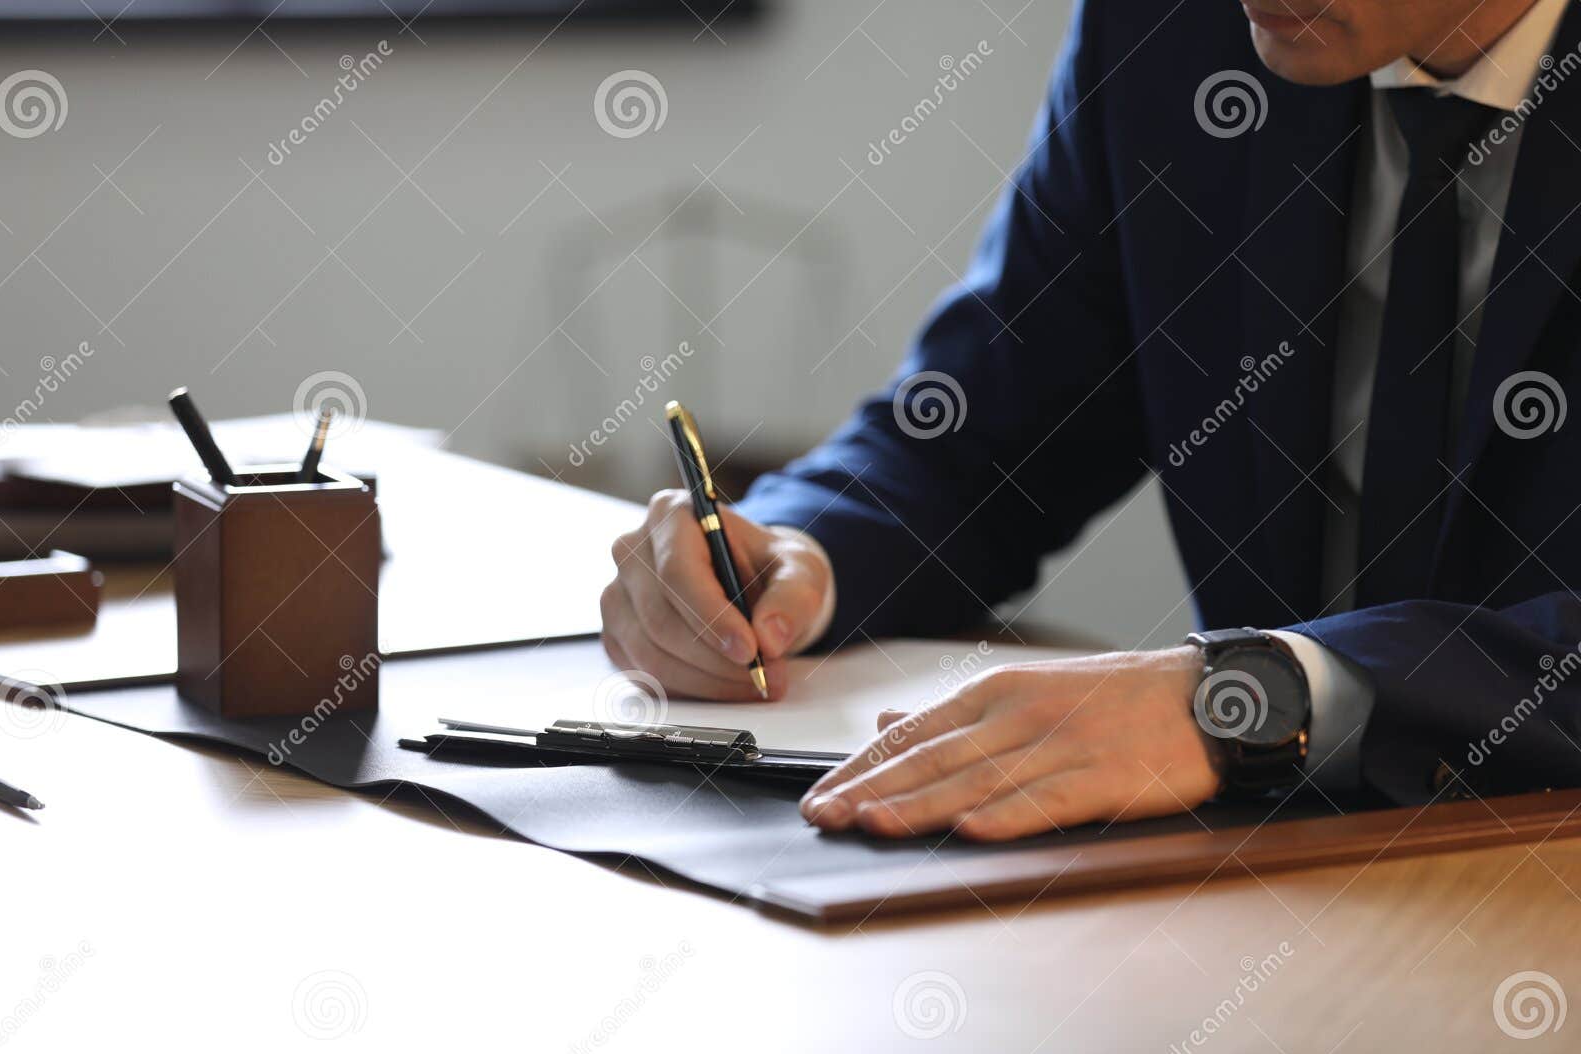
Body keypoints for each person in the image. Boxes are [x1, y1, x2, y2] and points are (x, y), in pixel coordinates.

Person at [600, 0, 1581, 839]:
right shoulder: (1173, 35)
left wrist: (1258, 694)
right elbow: (980, 430)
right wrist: (796, 558)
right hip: (1257, 887)